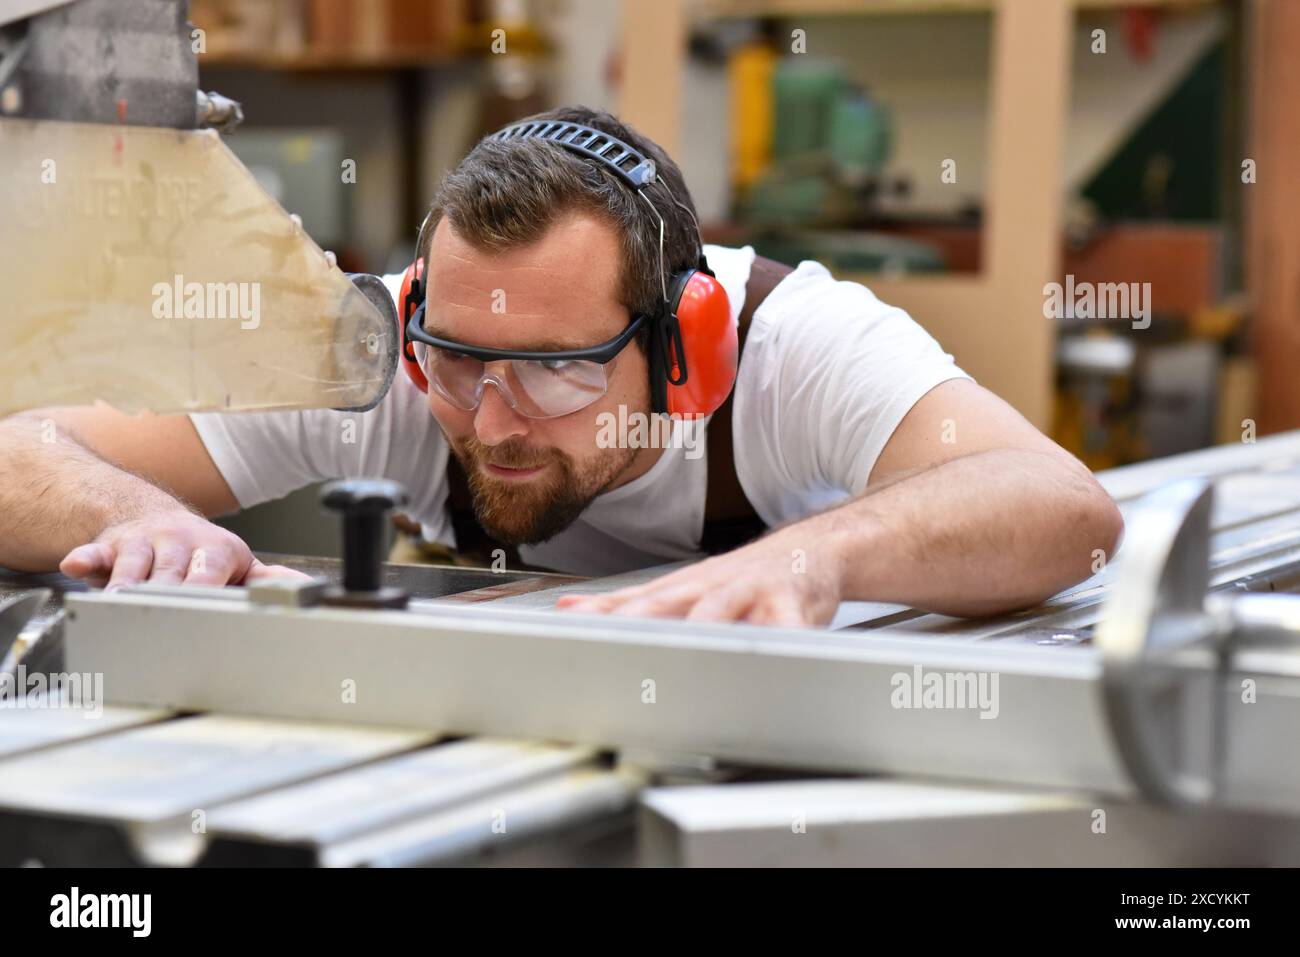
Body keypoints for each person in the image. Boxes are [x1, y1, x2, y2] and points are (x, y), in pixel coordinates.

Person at [0, 106, 1122, 626]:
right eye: (456, 359)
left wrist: (818, 560)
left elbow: (1060, 507)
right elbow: (20, 454)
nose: (490, 421)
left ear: (688, 351)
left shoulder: (801, 345)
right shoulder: (387, 348)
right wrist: (144, 515)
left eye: (552, 370)